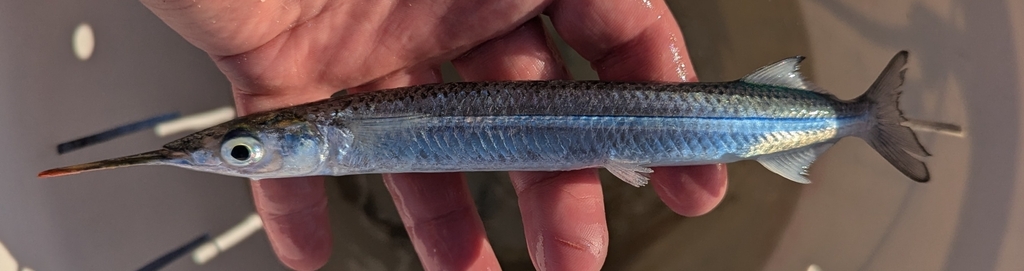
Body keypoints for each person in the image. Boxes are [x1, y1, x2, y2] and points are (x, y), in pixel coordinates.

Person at [140, 0, 728, 270]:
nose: (241, 161)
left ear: (312, 136)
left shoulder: (347, 127)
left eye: (243, 153)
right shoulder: (339, 125)